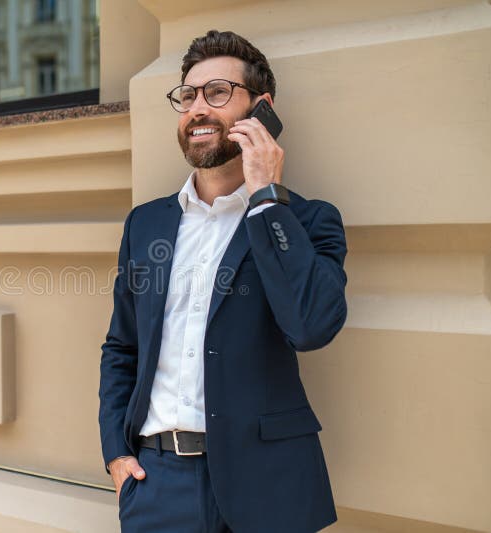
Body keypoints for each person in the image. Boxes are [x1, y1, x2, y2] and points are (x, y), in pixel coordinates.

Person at [98, 29, 347, 533]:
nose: (196, 109)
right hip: (156, 484)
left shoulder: (308, 220)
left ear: (262, 108)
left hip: (269, 485)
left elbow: (311, 327)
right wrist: (116, 454)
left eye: (217, 93)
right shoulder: (145, 225)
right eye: (187, 96)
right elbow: (122, 345)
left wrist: (265, 197)